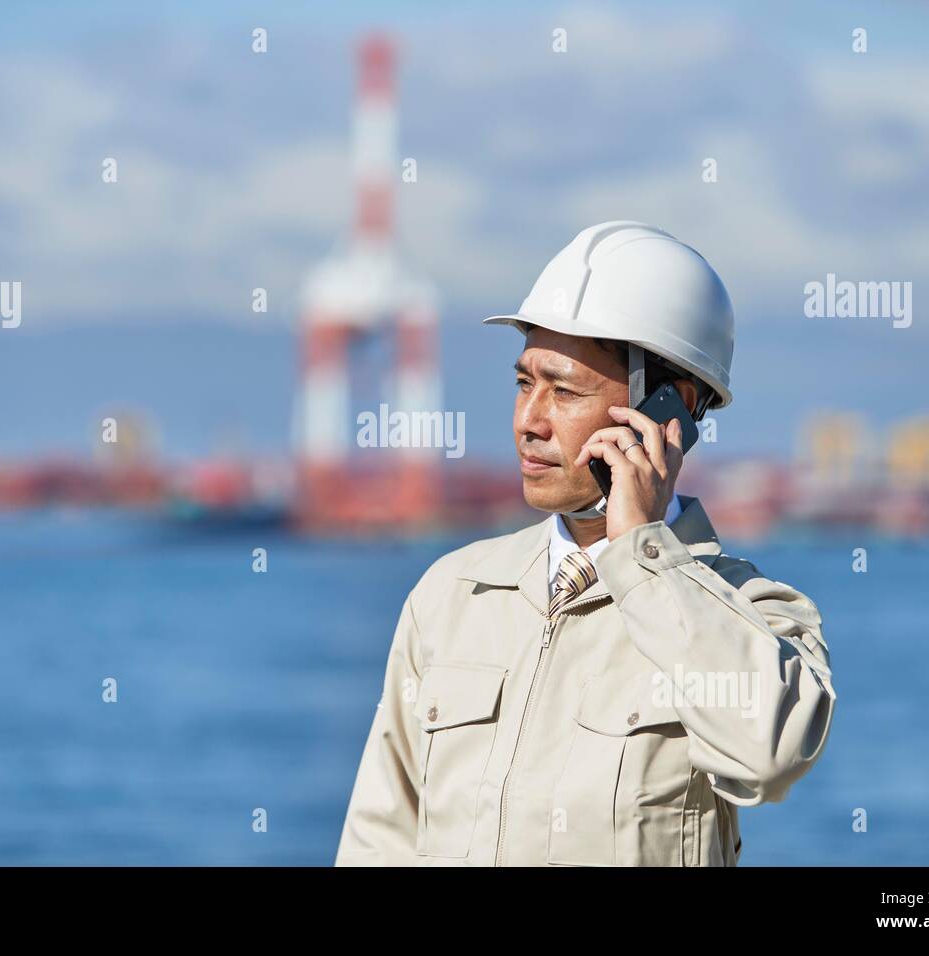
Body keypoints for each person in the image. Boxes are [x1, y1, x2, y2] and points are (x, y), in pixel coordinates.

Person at [335, 221, 836, 866]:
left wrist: (644, 560)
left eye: (563, 391)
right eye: (524, 383)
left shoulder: (754, 613)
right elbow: (380, 838)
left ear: (667, 408)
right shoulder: (451, 596)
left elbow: (769, 758)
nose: (528, 421)